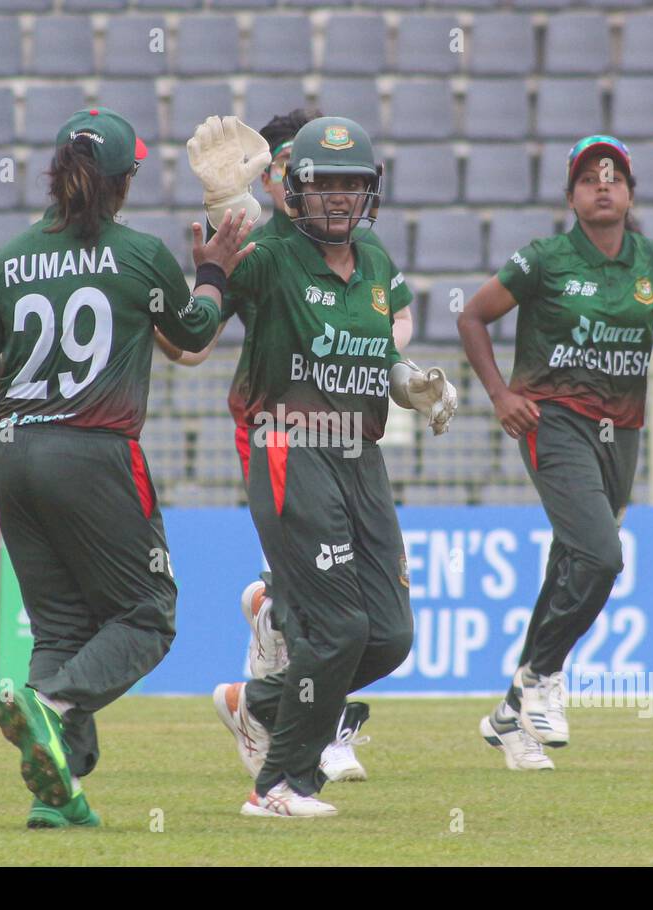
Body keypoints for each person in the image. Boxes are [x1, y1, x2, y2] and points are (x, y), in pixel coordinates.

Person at [0, 107, 254, 827]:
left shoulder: (9, 257)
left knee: (58, 628)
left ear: (58, 176)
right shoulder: (138, 254)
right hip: (93, 451)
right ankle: (48, 710)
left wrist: (32, 386)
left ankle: (57, 797)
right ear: (126, 182)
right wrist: (214, 271)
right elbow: (195, 330)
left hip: (14, 450)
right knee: (148, 616)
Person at [185, 114, 458, 816]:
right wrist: (219, 205)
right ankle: (278, 785)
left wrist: (410, 384)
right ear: (295, 190)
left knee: (390, 635)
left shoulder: (373, 261)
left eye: (352, 185)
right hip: (290, 448)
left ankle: (261, 702)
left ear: (371, 193)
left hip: (359, 456)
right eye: (324, 184)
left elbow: (373, 351)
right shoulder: (272, 254)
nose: (339, 198)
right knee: (339, 629)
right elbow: (191, 335)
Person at [457, 135, 653, 771]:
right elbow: (471, 317)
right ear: (570, 196)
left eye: (614, 176)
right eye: (590, 177)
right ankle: (543, 677)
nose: (603, 185)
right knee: (601, 555)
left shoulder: (651, 260)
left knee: (573, 560)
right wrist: (498, 394)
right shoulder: (543, 259)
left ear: (630, 193)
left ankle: (512, 712)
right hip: (552, 419)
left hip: (622, 429)